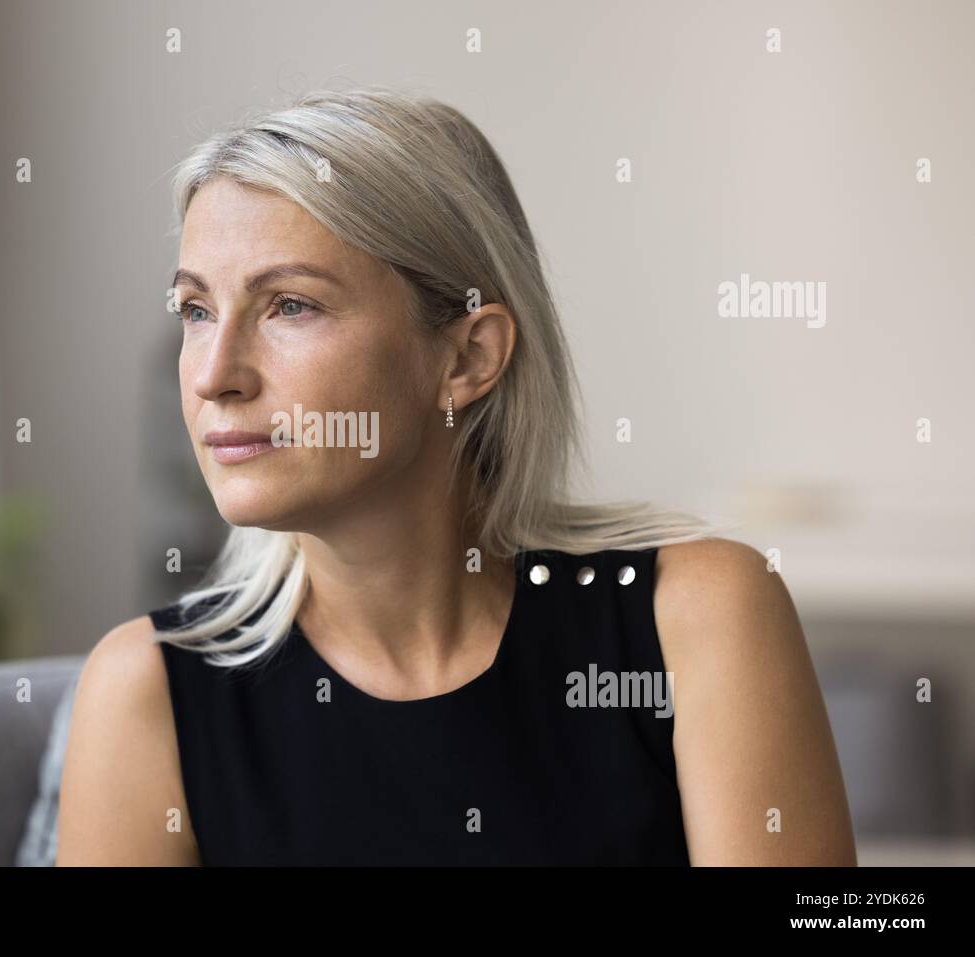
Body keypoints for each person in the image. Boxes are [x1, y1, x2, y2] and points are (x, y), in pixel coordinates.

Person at [56, 86, 857, 866]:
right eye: (196, 310)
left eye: (289, 305)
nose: (212, 375)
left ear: (469, 356)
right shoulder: (147, 691)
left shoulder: (698, 617)